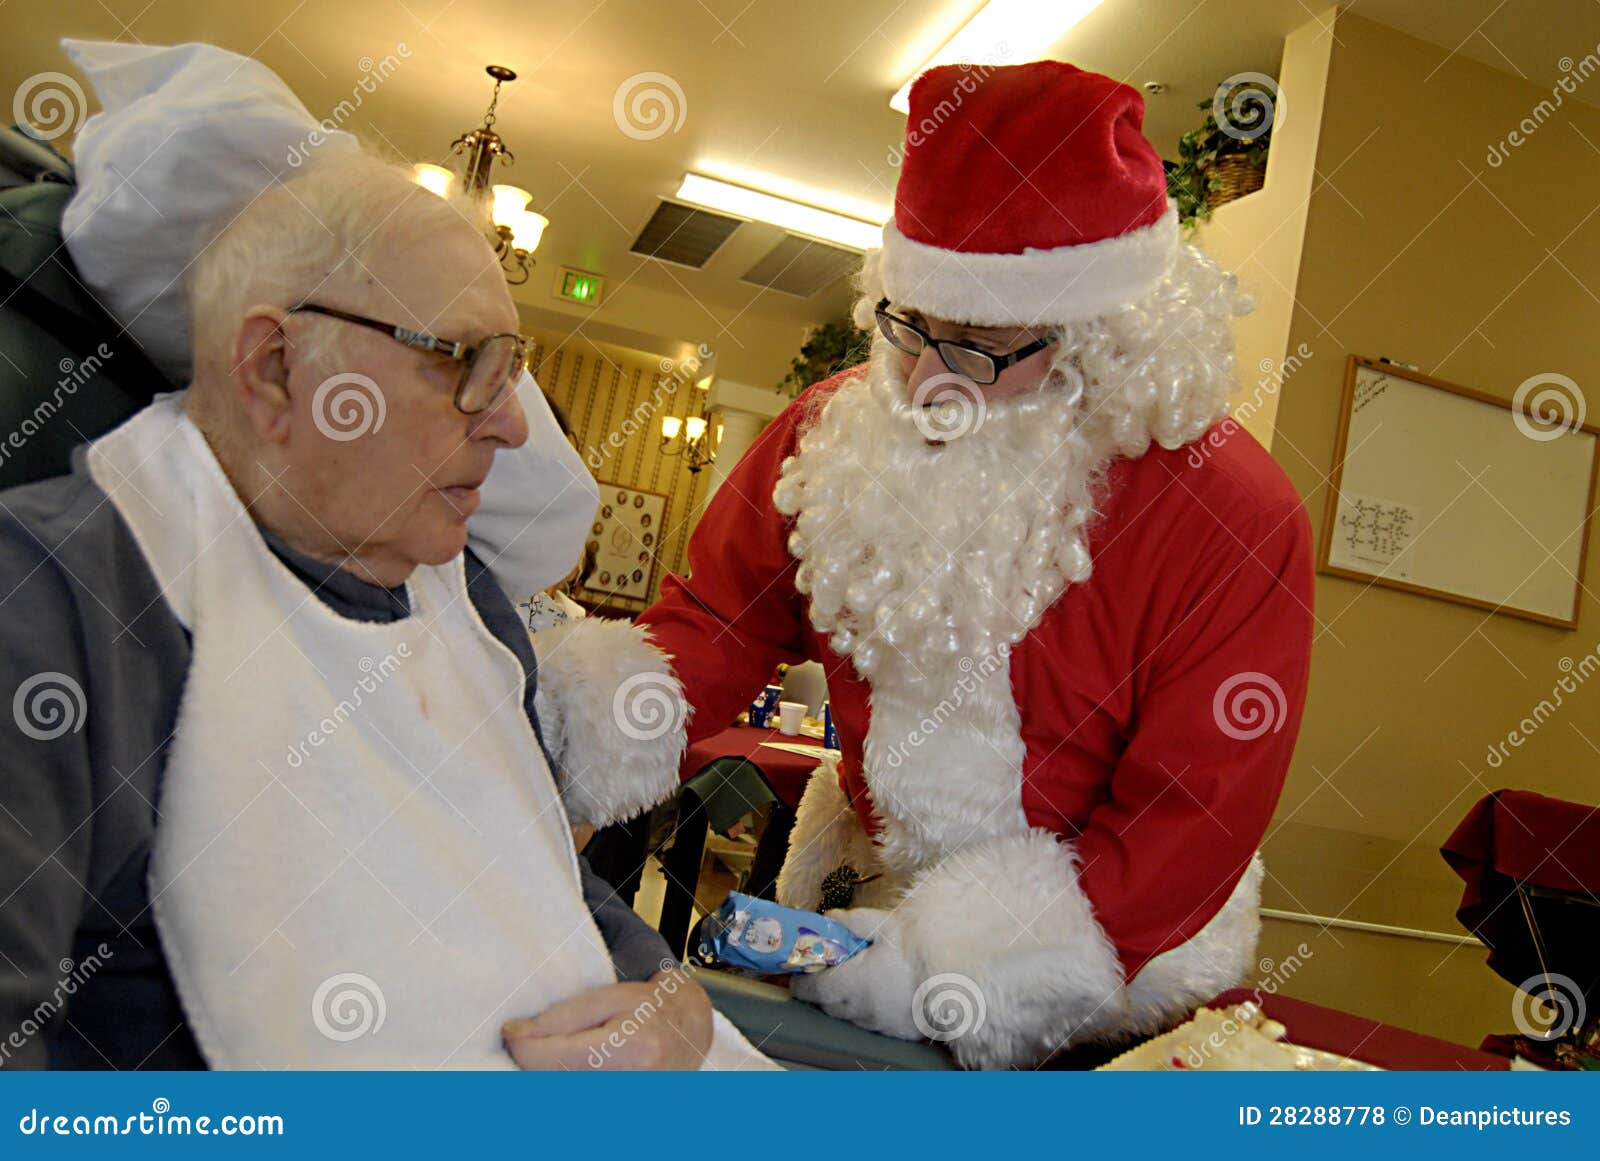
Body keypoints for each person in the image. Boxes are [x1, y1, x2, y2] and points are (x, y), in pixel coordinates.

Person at [0, 152, 766, 1070]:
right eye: (468, 364)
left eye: (512, 370)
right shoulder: (58, 598)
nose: (515, 424)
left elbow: (535, 864)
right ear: (274, 366)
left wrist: (666, 991)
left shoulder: (463, 592)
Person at [636, 61, 1316, 1068]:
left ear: (1101, 343)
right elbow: (715, 624)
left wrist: (962, 972)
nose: (928, 383)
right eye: (910, 327)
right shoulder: (828, 430)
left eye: (983, 345)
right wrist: (582, 722)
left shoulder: (1232, 512)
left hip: (1114, 976)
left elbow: (1191, 813)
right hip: (859, 899)